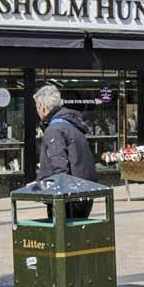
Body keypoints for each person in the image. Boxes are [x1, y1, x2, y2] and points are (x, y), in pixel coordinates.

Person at [34, 83, 95, 220]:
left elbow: (60, 169)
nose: (37, 111)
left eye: (37, 107)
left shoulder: (54, 130)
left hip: (68, 199)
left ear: (43, 107)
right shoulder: (72, 125)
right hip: (83, 193)